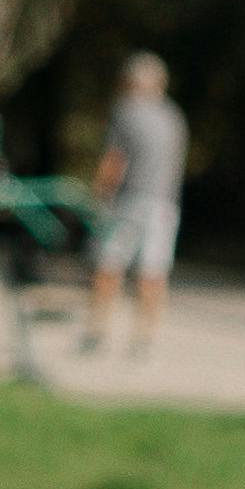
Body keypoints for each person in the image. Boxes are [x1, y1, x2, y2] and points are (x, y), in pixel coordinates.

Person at [83, 51, 187, 354]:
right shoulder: (174, 117)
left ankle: (97, 331)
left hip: (128, 201)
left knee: (109, 265)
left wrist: (99, 194)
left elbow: (115, 160)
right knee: (153, 271)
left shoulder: (126, 110)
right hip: (164, 203)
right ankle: (144, 338)